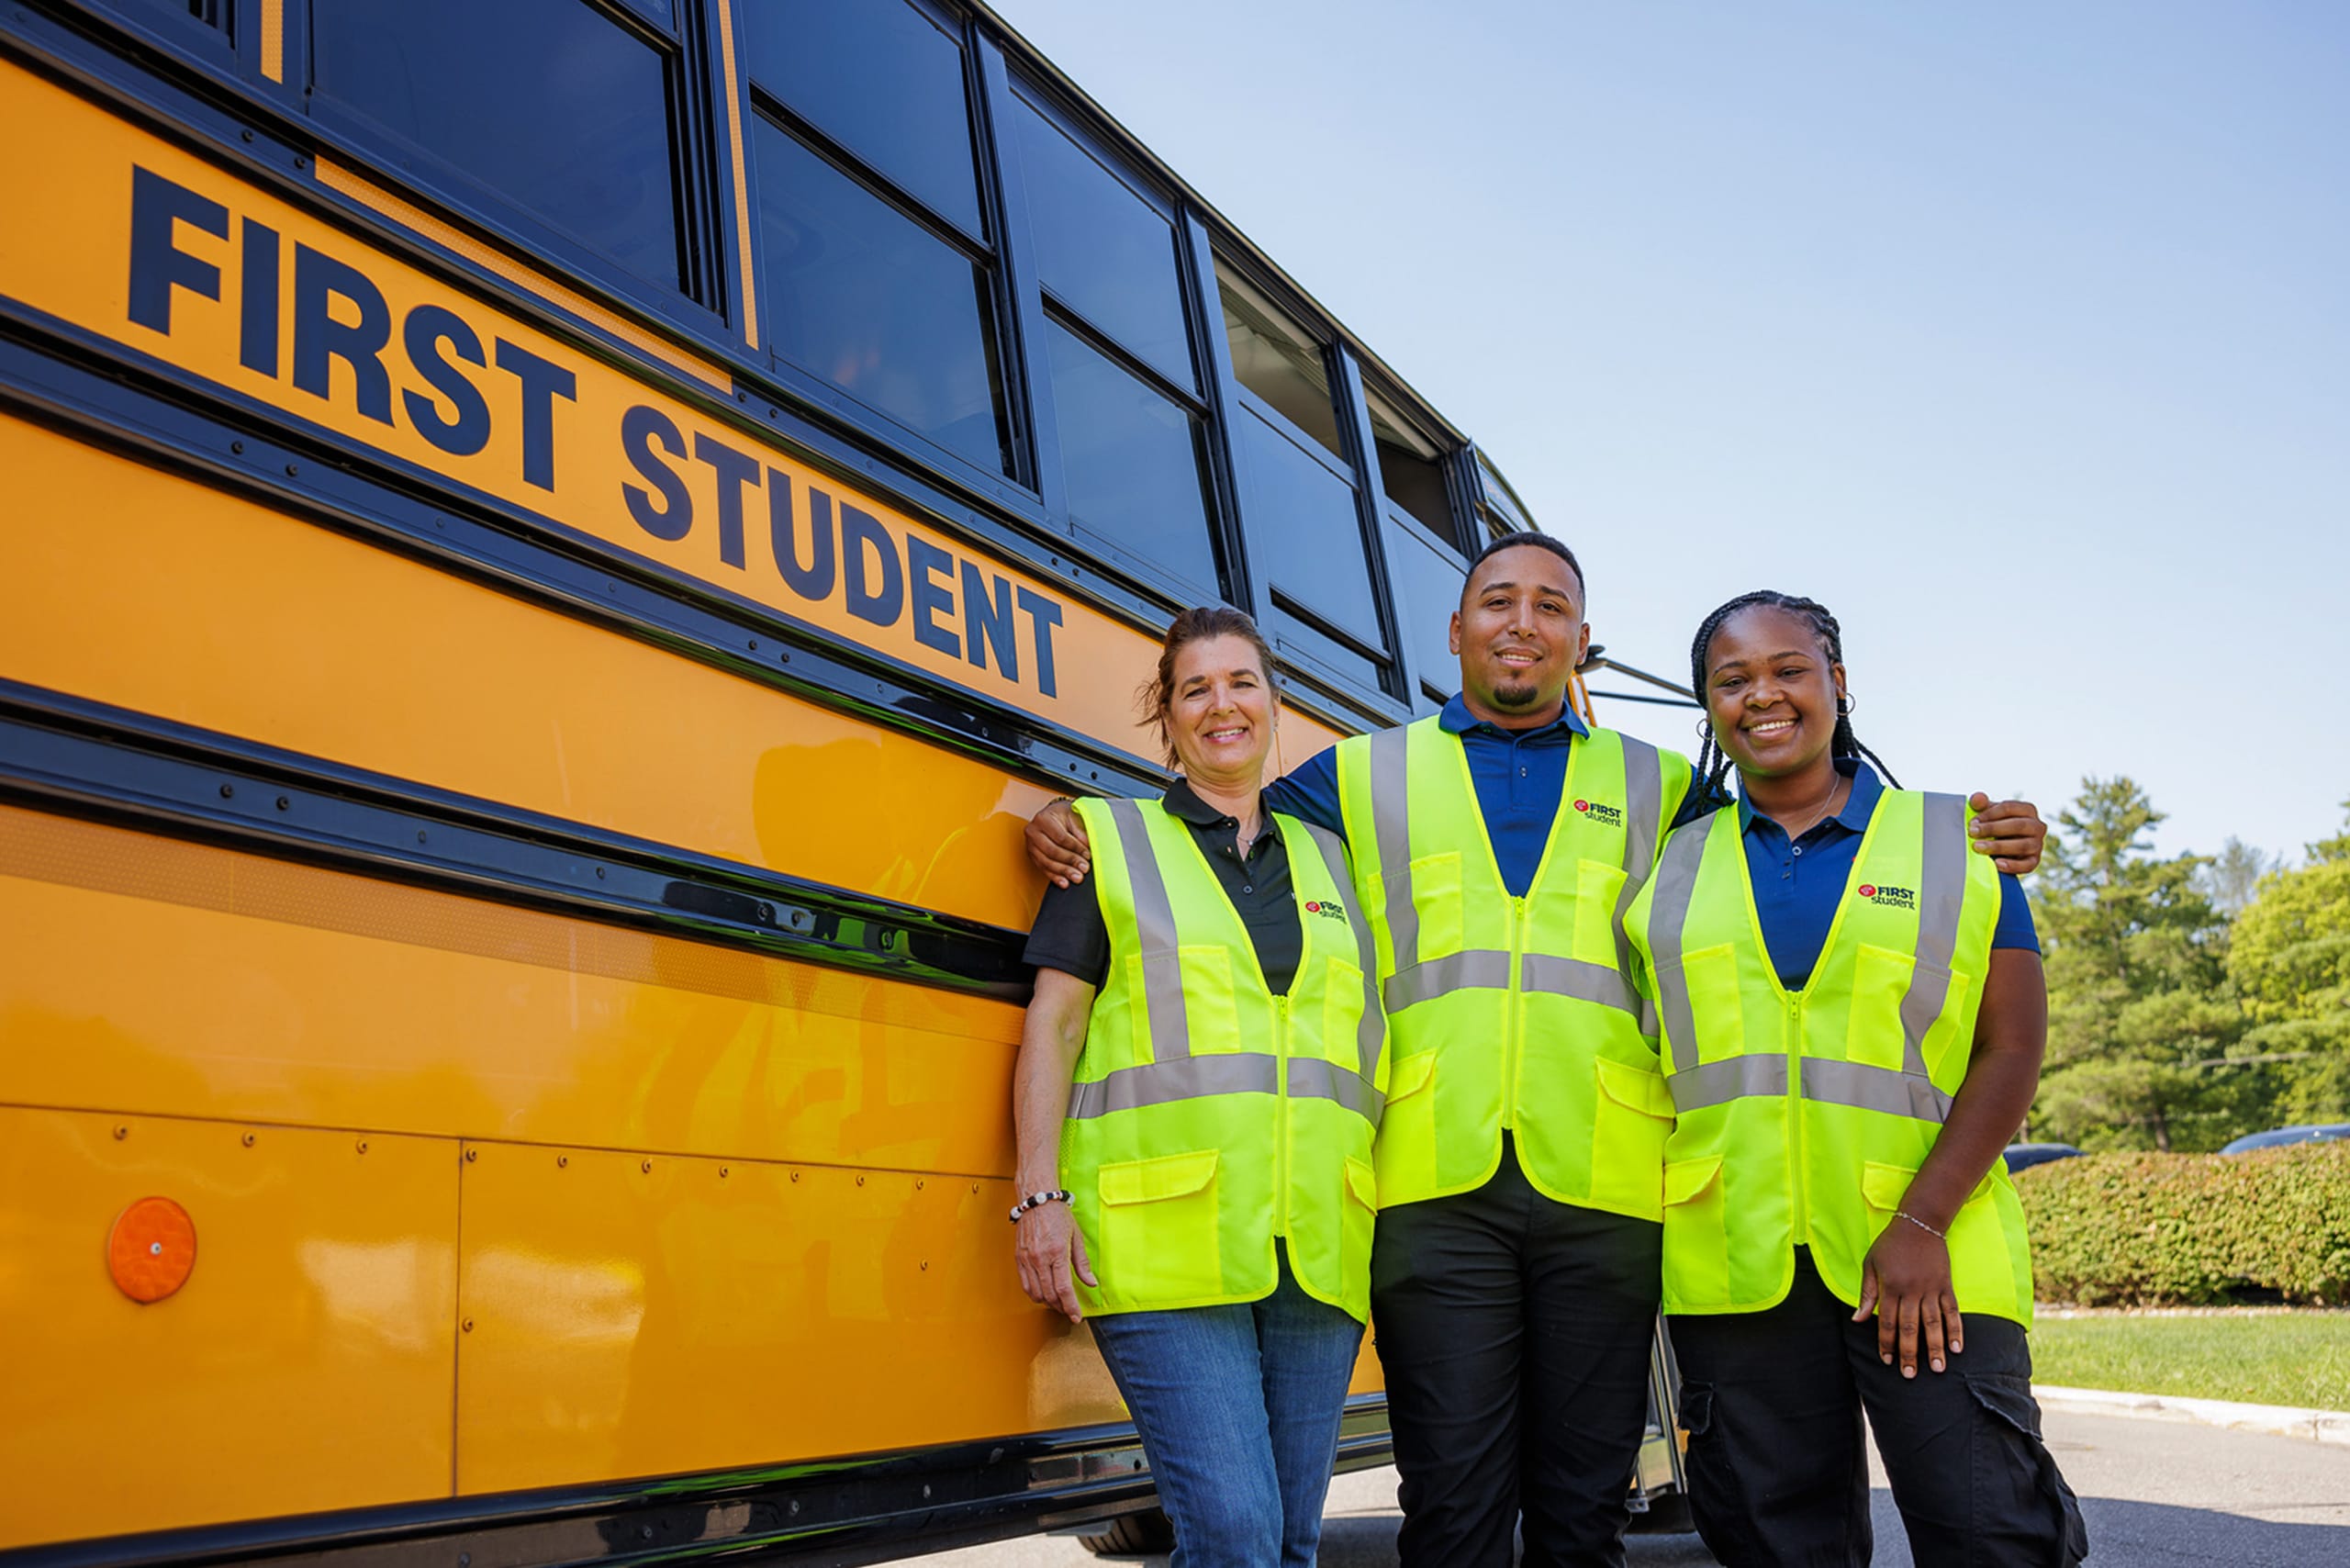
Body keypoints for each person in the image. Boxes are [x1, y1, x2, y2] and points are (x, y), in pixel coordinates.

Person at [1026, 536, 2048, 1566]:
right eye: (1496, 602)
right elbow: (1208, 812)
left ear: (1580, 640)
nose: (1521, 622)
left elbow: (1801, 812)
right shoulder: (1356, 775)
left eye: (1550, 605)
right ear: (1455, 631)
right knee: (1454, 1503)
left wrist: (1985, 831)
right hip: (1430, 1186)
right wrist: (1067, 819)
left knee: (1584, 1502)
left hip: (1606, 1188)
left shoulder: (1664, 791)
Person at [1624, 590, 2087, 1567]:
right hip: (1735, 1265)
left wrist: (1920, 1224)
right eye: (1731, 679)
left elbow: (2010, 1051)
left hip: (1931, 1261)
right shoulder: (1665, 864)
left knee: (1990, 1532)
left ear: (1838, 682)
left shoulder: (1958, 842)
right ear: (1707, 705)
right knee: (1773, 1545)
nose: (1763, 695)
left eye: (1788, 669)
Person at [1013, 604, 1387, 1568]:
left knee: (1290, 1540)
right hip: (1162, 1240)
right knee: (1232, 1530)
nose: (1222, 705)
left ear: (1275, 705)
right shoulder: (1107, 843)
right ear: (1166, 719)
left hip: (1317, 1242)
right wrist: (1039, 1196)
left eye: (1241, 683)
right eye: (1195, 689)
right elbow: (1053, 1024)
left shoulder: (1337, 866)